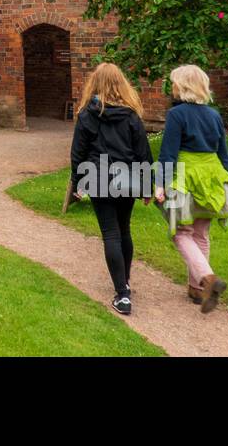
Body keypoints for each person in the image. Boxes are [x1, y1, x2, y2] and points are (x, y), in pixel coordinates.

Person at [154, 64, 228, 314]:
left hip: (186, 175)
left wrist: (160, 183)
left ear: (182, 86)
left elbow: (168, 153)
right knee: (201, 232)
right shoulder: (214, 115)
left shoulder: (177, 114)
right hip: (212, 176)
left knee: (181, 233)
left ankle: (207, 278)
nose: (171, 86)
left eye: (173, 82)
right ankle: (196, 289)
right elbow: (223, 153)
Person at [69, 62, 153, 316]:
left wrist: (77, 181)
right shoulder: (130, 116)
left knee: (111, 234)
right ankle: (124, 282)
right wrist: (147, 186)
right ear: (121, 84)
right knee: (123, 230)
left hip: (99, 176)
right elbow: (143, 154)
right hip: (126, 177)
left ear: (94, 84)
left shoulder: (87, 115)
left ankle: (122, 293)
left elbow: (78, 153)